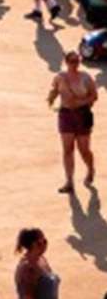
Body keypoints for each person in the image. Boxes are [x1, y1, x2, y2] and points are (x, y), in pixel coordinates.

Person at [47, 49, 97, 192]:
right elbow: (55, 89)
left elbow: (94, 96)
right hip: (66, 115)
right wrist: (51, 97)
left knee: (84, 150)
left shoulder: (86, 78)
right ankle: (69, 181)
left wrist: (79, 103)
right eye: (72, 61)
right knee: (67, 149)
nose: (75, 64)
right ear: (67, 62)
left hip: (82, 116)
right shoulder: (60, 77)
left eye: (77, 61)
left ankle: (90, 169)